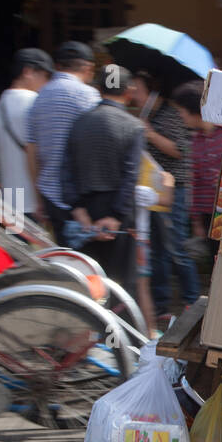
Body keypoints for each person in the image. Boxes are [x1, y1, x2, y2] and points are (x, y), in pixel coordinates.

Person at [61, 66, 144, 293]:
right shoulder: (133, 126)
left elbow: (66, 170)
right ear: (128, 91)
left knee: (89, 281)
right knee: (121, 283)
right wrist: (116, 215)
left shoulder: (79, 123)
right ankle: (118, 327)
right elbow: (130, 176)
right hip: (119, 213)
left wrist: (78, 210)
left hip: (86, 210)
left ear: (98, 89)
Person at [126, 71, 198, 316]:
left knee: (176, 247)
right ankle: (162, 304)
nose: (133, 94)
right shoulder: (149, 115)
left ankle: (192, 301)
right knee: (157, 249)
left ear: (151, 90)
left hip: (173, 192)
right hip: (153, 193)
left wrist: (150, 134)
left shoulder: (170, 115)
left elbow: (181, 150)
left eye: (137, 88)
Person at [26, 41, 99, 245]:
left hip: (50, 193)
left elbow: (31, 150)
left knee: (64, 256)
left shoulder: (38, 98)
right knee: (88, 260)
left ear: (58, 67)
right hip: (81, 196)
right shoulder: (89, 96)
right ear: (88, 68)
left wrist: (39, 194)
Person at [0, 48, 52, 218]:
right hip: (34, 203)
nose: (47, 83)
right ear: (28, 72)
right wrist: (40, 199)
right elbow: (38, 154)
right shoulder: (37, 104)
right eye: (45, 76)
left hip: (6, 202)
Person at [173, 79, 222, 269]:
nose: (181, 116)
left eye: (182, 111)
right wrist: (196, 220)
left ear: (194, 110)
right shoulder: (195, 140)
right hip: (206, 213)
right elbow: (193, 180)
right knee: (213, 262)